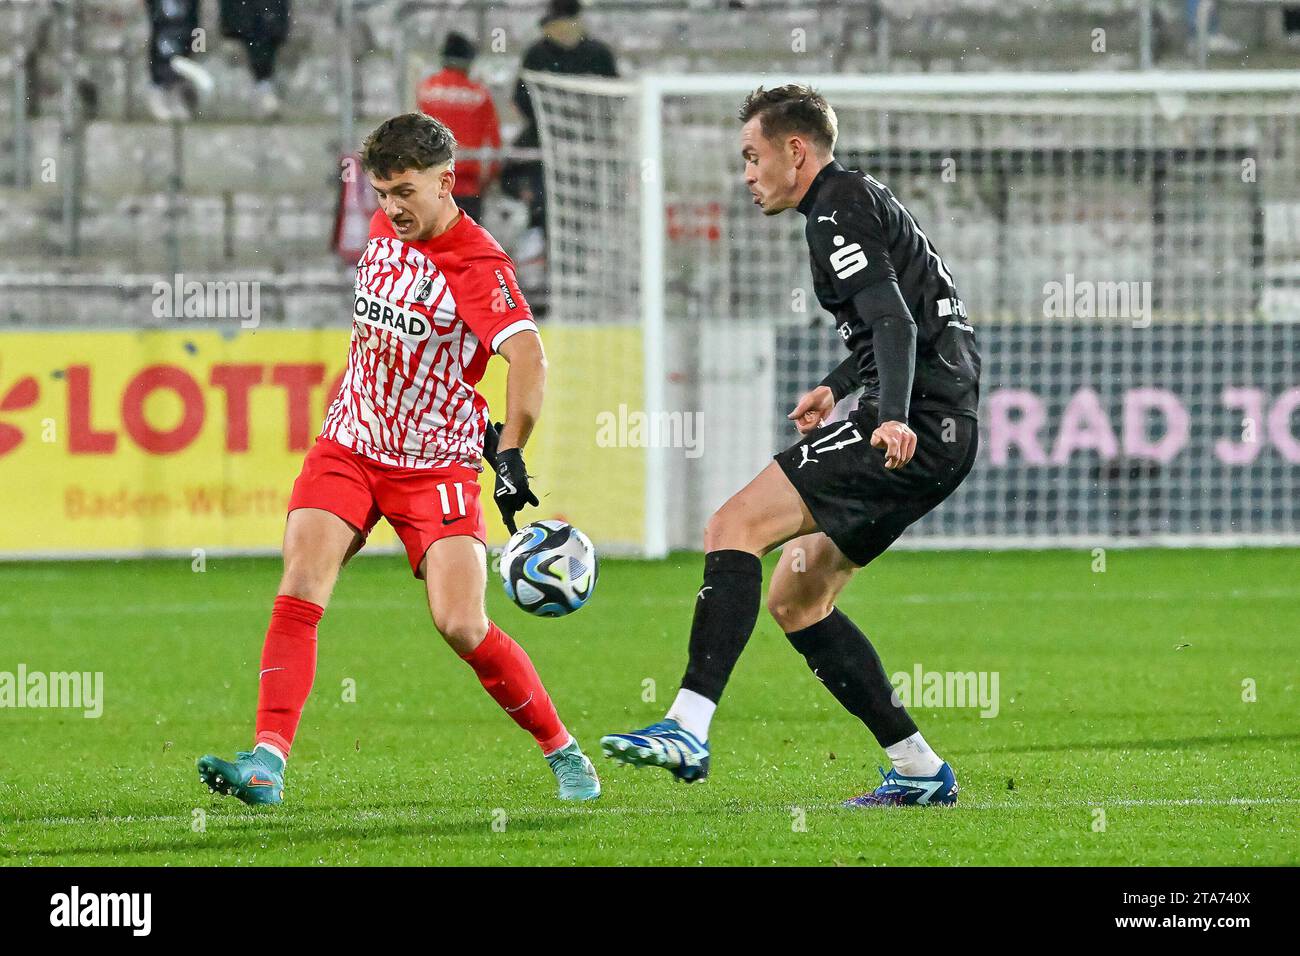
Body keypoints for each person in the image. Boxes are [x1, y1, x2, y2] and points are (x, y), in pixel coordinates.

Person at [197, 112, 601, 806]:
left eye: (406, 192)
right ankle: (266, 763)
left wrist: (508, 455)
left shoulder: (480, 264)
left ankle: (564, 753)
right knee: (301, 583)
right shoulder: (388, 228)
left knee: (459, 622)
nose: (391, 208)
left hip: (435, 467)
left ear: (448, 183)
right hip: (351, 443)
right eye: (383, 193)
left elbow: (528, 358)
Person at [600, 86, 982, 807]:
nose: (747, 173)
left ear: (795, 151)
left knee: (731, 526)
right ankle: (920, 770)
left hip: (910, 426)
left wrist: (889, 415)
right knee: (797, 598)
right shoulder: (860, 198)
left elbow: (896, 328)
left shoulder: (835, 211)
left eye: (753, 156)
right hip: (943, 431)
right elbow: (907, 321)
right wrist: (840, 387)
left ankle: (687, 723)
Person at [504, 0, 617, 234]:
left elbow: (521, 98)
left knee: (547, 216)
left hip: (545, 150)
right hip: (590, 153)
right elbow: (614, 102)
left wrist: (542, 123)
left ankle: (545, 255)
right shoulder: (599, 54)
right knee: (586, 218)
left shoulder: (537, 53)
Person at [416, 32, 502, 222]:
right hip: (468, 185)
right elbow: (495, 145)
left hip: (433, 183)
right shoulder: (480, 94)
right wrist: (488, 180)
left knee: (432, 246)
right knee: (465, 246)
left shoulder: (426, 90)